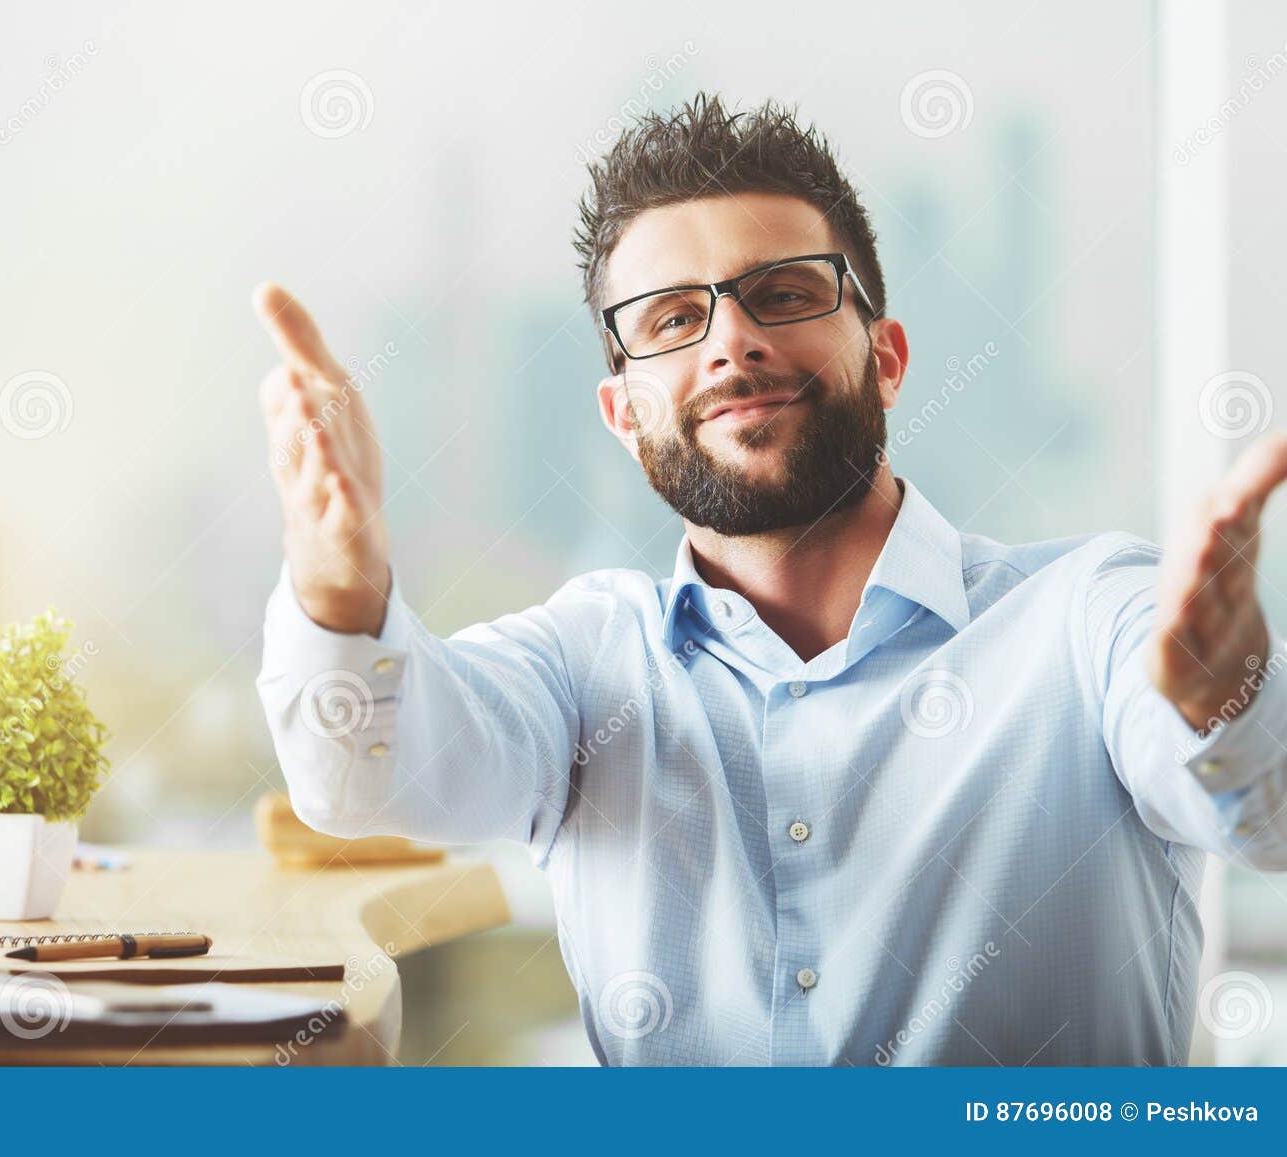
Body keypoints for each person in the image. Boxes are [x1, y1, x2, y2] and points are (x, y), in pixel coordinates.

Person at [254, 93, 1287, 1065]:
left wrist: (1217, 686)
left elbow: (1264, 811)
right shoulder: (580, 662)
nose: (731, 341)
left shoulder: (1089, 613)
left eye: (783, 294)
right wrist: (341, 583)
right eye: (669, 321)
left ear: (884, 356)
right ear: (622, 416)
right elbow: (366, 781)